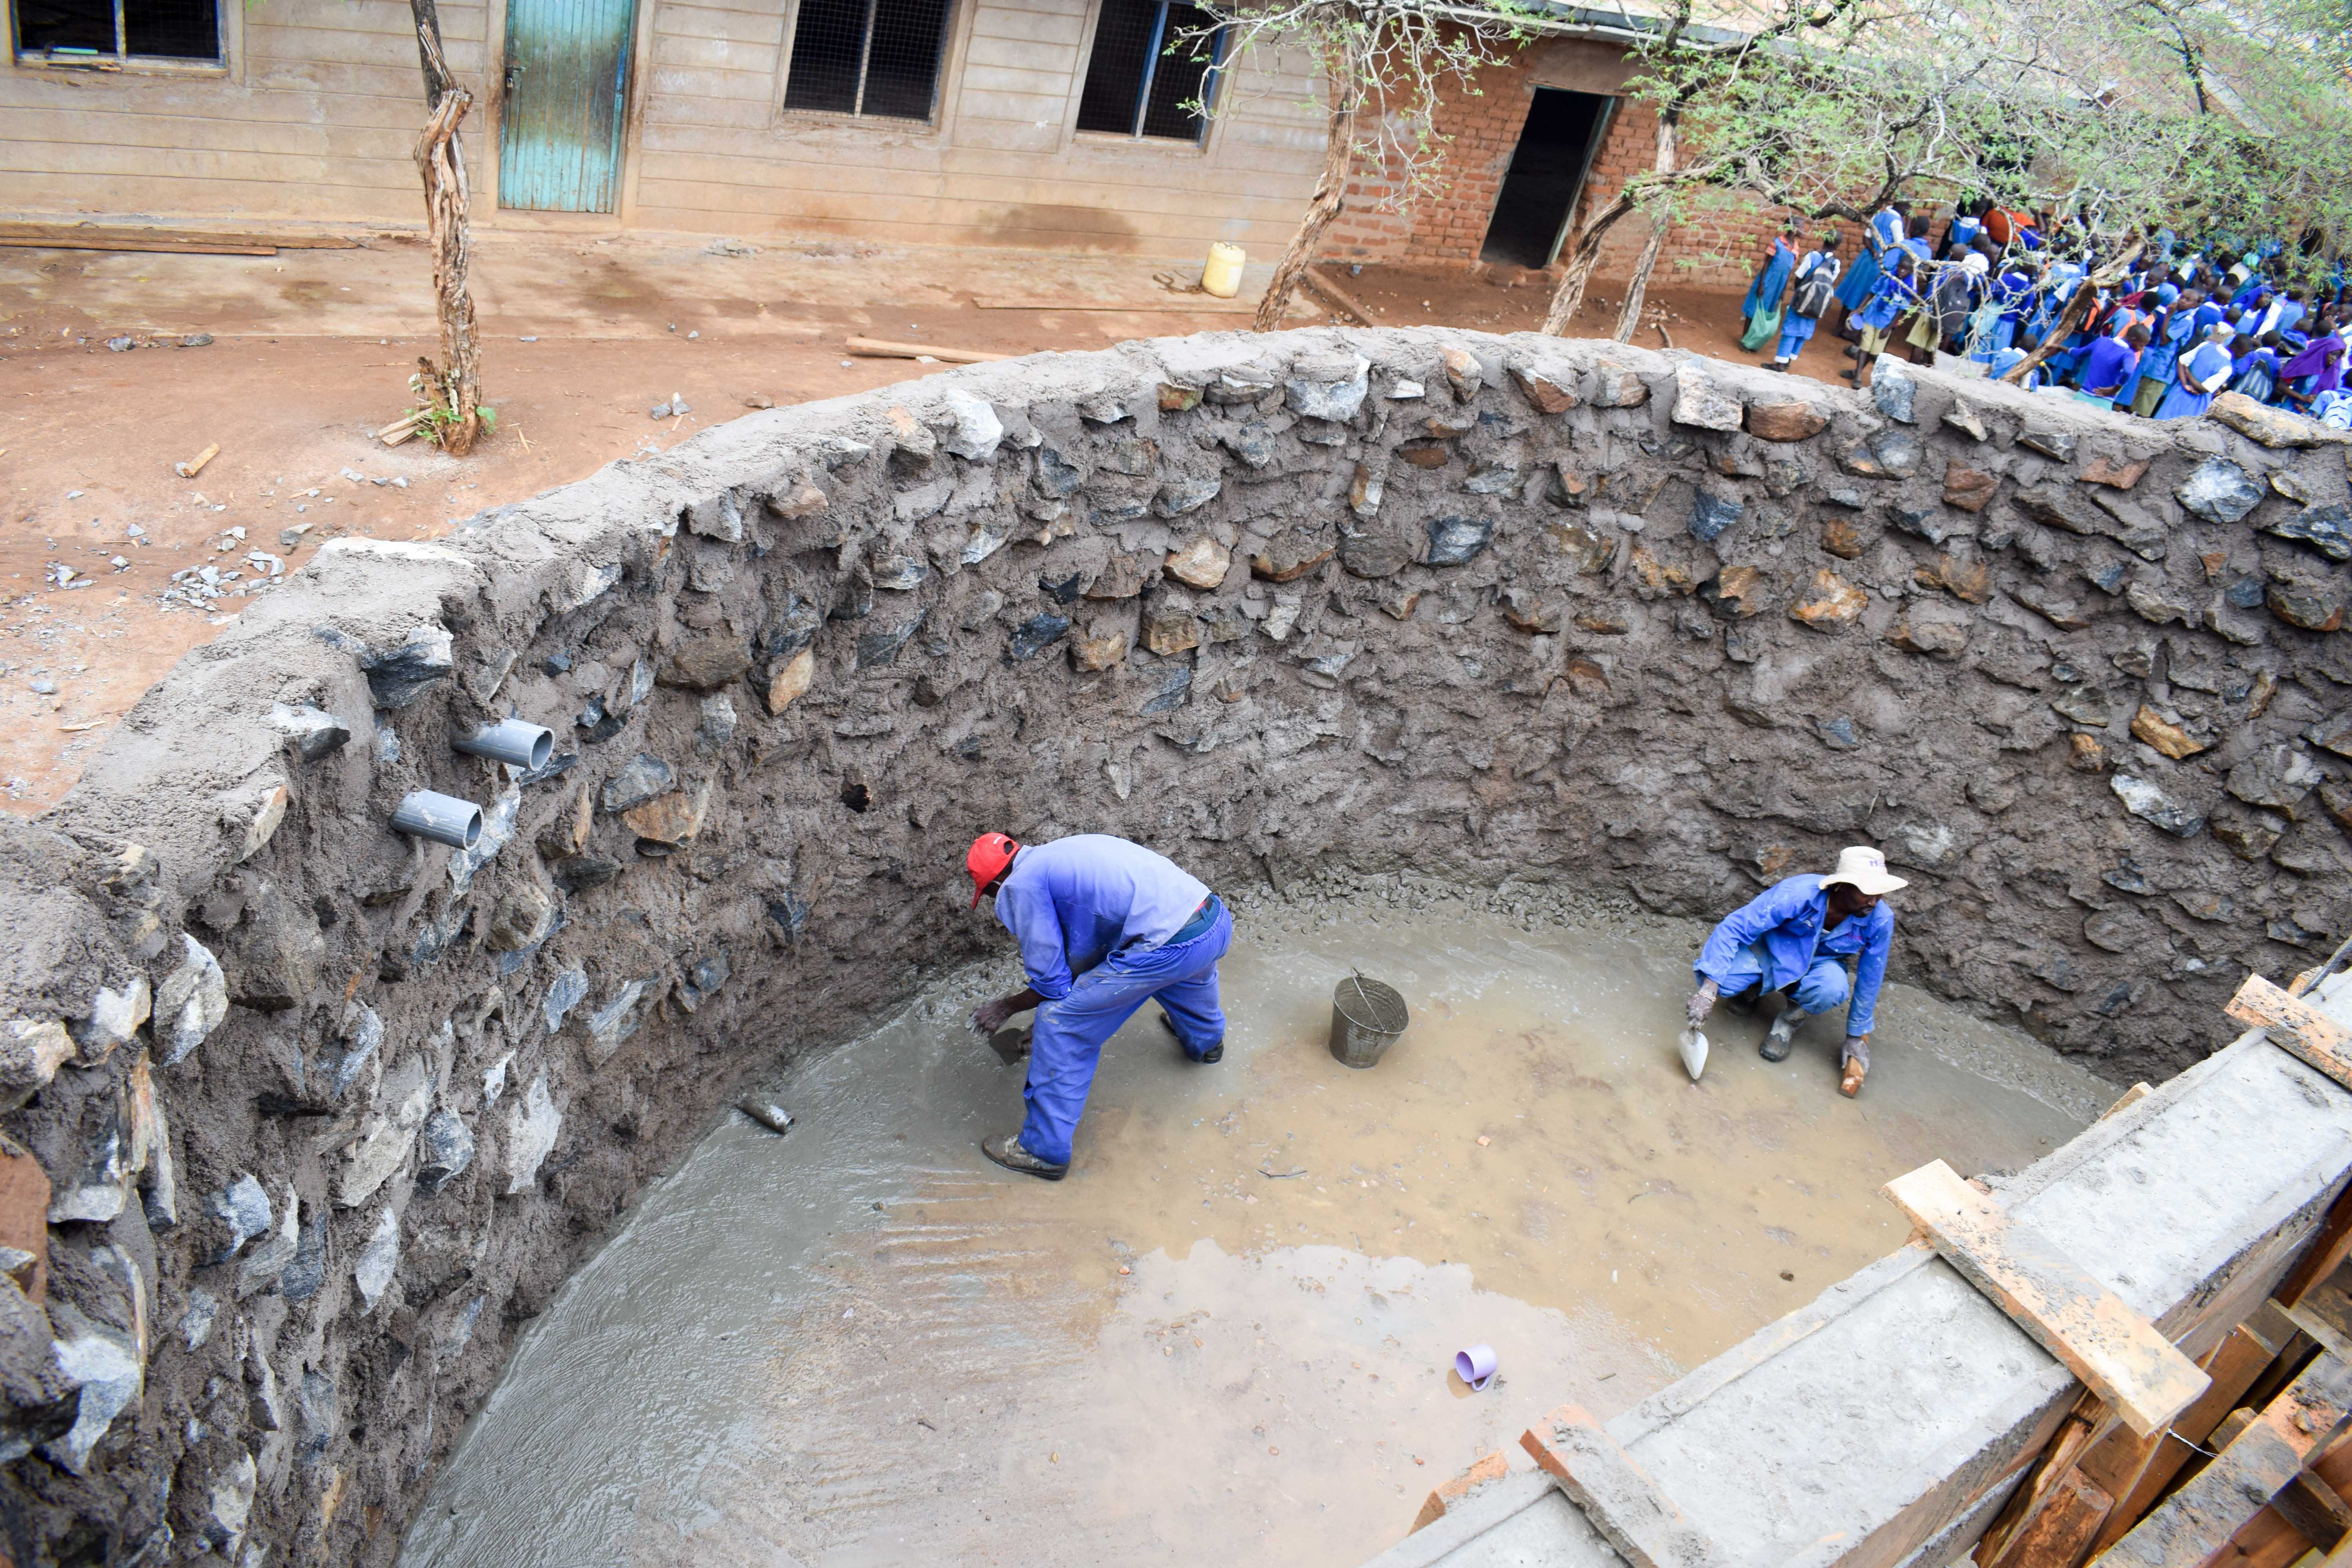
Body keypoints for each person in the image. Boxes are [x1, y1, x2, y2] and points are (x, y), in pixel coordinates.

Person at [965, 831, 1233, 1180]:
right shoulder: (1060, 854)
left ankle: (1042, 1151)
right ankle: (1207, 1043)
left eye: (988, 893)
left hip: (1168, 948)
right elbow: (1098, 947)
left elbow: (1051, 981)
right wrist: (1076, 996)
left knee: (1061, 1023)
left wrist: (1007, 1007)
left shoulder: (1021, 885)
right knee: (1186, 973)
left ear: (996, 882)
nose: (994, 900)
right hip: (1211, 921)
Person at [1685, 846, 1904, 1098]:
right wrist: (1708, 992)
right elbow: (1735, 927)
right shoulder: (1799, 893)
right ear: (1842, 886)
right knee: (1722, 981)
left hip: (1820, 965)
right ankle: (1752, 989)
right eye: (1867, 892)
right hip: (1769, 953)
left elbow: (1871, 976)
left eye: (1880, 892)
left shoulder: (1880, 919)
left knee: (1832, 988)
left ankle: (1788, 1023)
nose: (1874, 901)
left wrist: (1856, 1034)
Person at [1769, 231, 1841, 373]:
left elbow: (1799, 277)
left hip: (1802, 300)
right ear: (1838, 246)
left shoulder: (1812, 256)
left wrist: (1799, 294)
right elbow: (1830, 281)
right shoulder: (1836, 263)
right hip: (1817, 305)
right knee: (1804, 332)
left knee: (1791, 330)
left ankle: (1780, 365)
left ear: (1824, 239)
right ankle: (1789, 360)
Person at [2155, 323, 2236, 420]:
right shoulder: (2227, 368)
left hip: (2180, 391)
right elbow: (2203, 389)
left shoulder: (2206, 346)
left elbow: (2181, 361)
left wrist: (2186, 381)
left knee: (2162, 420)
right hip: (2198, 401)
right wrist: (2190, 382)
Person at [1740, 228, 1798, 354]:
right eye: (1800, 226)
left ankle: (1754, 342)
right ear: (1793, 228)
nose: (1802, 229)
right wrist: (1762, 284)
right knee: (1755, 310)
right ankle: (1745, 340)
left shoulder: (1796, 248)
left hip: (1780, 284)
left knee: (1766, 312)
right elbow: (1767, 264)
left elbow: (1789, 271)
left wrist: (1784, 290)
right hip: (1768, 280)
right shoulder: (1777, 243)